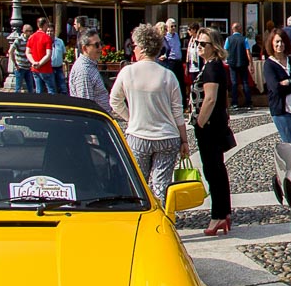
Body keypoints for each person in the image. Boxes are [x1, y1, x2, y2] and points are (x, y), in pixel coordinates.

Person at [110, 23, 193, 201]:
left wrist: (131, 117)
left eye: (134, 46)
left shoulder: (127, 72)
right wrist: (184, 140)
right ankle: (162, 218)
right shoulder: (168, 75)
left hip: (138, 134)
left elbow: (114, 101)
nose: (134, 49)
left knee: (139, 184)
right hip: (166, 136)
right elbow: (178, 112)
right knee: (161, 185)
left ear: (141, 47)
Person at [192, 30, 235, 237]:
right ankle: (223, 212)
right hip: (215, 124)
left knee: (213, 171)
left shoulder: (212, 68)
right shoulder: (213, 67)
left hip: (209, 127)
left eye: (203, 43)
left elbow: (210, 99)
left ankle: (218, 215)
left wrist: (199, 123)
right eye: (197, 43)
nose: (199, 46)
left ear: (214, 46)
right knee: (217, 170)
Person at [262, 27, 291, 144]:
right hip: (281, 109)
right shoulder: (269, 65)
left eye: (282, 41)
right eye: (277, 41)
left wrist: (289, 82)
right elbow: (275, 88)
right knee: (290, 143)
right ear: (272, 43)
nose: (280, 44)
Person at [69, 28, 111, 112]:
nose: (100, 48)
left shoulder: (90, 66)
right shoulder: (83, 71)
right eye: (96, 45)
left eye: (100, 44)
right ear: (84, 48)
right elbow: (86, 106)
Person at [225, 26, 253, 108]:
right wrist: (251, 63)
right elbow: (248, 52)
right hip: (243, 62)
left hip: (232, 63)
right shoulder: (244, 39)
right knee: (245, 82)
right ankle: (248, 102)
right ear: (240, 29)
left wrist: (227, 59)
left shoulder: (228, 39)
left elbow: (225, 50)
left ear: (232, 30)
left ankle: (235, 103)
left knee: (234, 83)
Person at [26, 17, 55, 94]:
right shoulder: (47, 38)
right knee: (51, 90)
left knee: (39, 90)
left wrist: (33, 62)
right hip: (45, 68)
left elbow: (28, 52)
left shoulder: (31, 37)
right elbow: (48, 54)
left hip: (35, 68)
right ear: (45, 25)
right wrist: (40, 63)